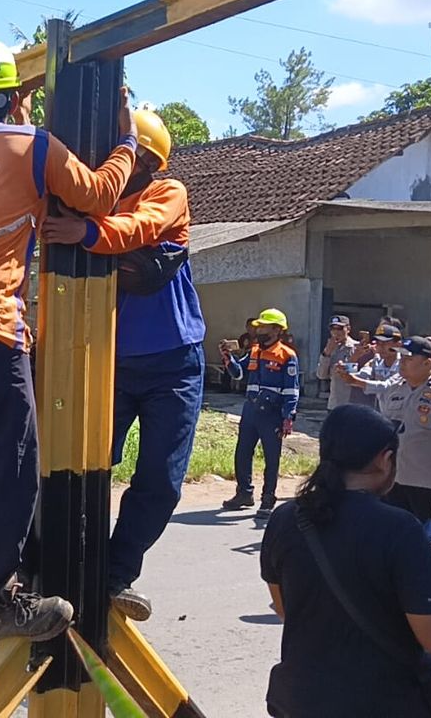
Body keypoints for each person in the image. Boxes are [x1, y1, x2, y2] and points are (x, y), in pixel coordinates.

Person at [0, 35, 131, 643]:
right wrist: (126, 143)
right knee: (13, 465)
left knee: (2, 450)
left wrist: (20, 116)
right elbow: (97, 194)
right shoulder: (31, 147)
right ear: (12, 98)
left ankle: (22, 572)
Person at [41, 108, 205, 622]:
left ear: (144, 159)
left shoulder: (166, 193)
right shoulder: (85, 201)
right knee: (81, 467)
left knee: (161, 479)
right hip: (105, 358)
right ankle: (64, 565)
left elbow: (140, 228)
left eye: (124, 153)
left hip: (174, 363)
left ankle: (116, 573)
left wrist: (85, 234)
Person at [260, 404, 431, 718]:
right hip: (380, 701)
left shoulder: (285, 518)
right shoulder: (398, 528)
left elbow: (285, 609)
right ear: (385, 460)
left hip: (301, 699)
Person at [347, 337, 431, 522]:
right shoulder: (395, 388)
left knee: (428, 537)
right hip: (393, 481)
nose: (402, 363)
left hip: (429, 483)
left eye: (409, 359)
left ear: (427, 362)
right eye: (402, 358)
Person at [221, 308, 299, 519]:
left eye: (264, 326)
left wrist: (288, 417)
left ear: (276, 330)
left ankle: (268, 499)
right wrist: (229, 359)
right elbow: (238, 373)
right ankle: (244, 493)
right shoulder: (255, 351)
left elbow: (292, 390)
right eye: (259, 326)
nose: (260, 330)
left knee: (271, 458)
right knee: (242, 453)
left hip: (272, 414)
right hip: (251, 411)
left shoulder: (286, 355)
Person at [342, 324, 403, 410]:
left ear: (398, 345)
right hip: (382, 413)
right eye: (378, 343)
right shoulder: (376, 361)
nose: (380, 347)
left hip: (401, 416)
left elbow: (387, 387)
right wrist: (355, 357)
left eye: (385, 343)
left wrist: (355, 381)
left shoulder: (405, 363)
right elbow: (360, 376)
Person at [315, 315, 358, 409]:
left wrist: (344, 367)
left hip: (352, 401)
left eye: (340, 328)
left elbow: (356, 372)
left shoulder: (356, 348)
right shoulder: (330, 348)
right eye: (333, 329)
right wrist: (327, 353)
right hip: (335, 403)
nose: (336, 332)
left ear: (348, 329)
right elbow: (321, 375)